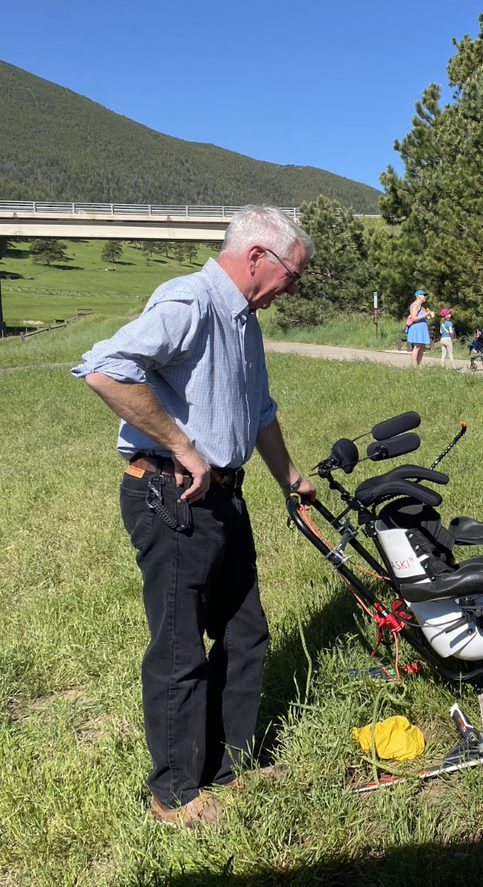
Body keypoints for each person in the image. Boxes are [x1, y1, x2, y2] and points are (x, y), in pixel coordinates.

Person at [72, 206, 317, 828]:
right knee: (181, 646)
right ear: (258, 257)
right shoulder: (192, 301)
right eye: (292, 275)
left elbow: (260, 411)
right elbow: (105, 369)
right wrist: (182, 446)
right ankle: (175, 795)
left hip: (224, 497)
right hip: (173, 494)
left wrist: (291, 480)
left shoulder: (244, 321)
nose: (292, 288)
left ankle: (230, 767)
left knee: (245, 634)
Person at [406, 289, 433, 367]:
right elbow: (414, 318)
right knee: (417, 347)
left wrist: (430, 316)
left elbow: (424, 318)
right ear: (418, 296)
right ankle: (414, 366)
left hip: (422, 328)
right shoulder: (415, 305)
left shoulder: (422, 307)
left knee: (422, 347)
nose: (425, 297)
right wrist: (426, 314)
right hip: (417, 328)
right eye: (424, 295)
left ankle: (419, 365)